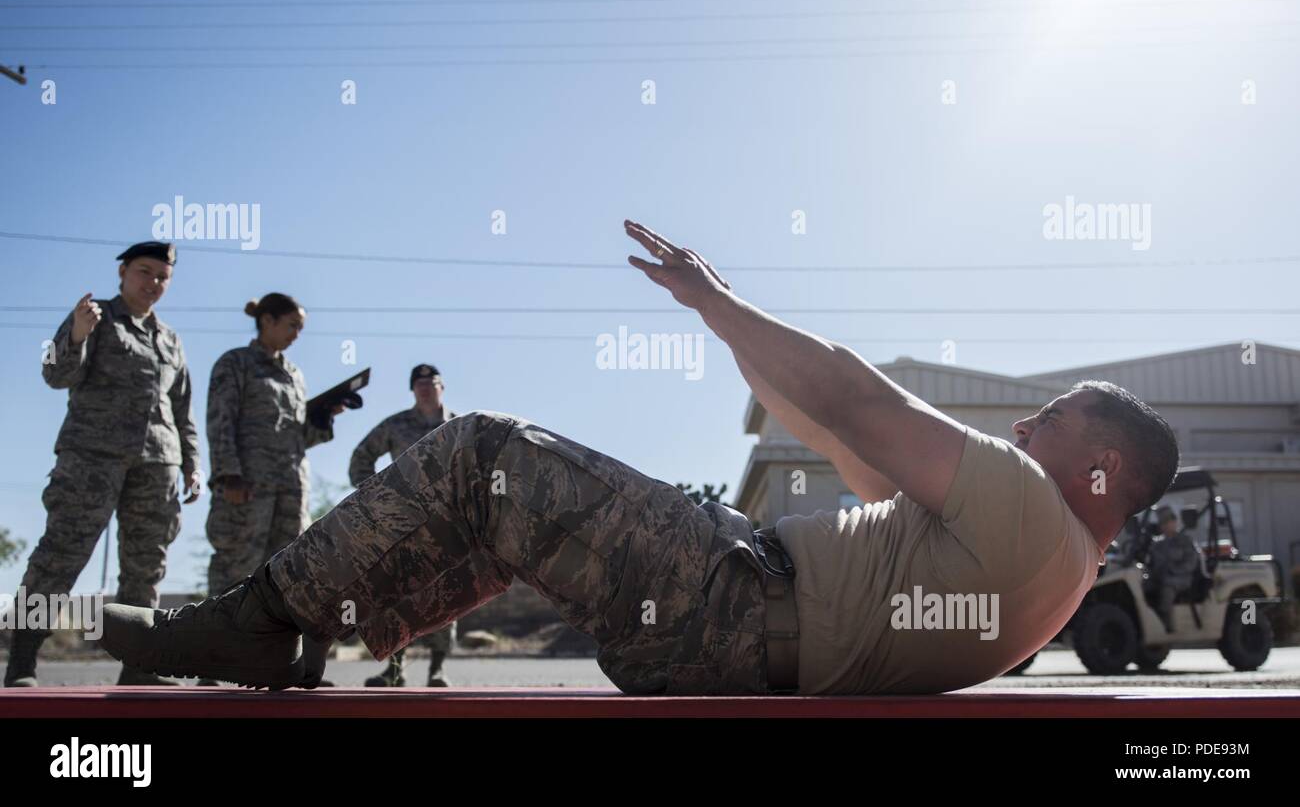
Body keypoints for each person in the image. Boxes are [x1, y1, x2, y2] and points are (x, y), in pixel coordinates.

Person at [100, 221, 1180, 695]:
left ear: (1106, 466)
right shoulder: (1041, 573)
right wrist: (728, 332)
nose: (1032, 422)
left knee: (481, 452)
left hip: (725, 594)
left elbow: (854, 389)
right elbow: (835, 432)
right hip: (727, 635)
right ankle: (302, 638)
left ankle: (251, 615)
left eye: (1059, 415)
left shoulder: (1032, 503)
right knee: (496, 524)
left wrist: (717, 298)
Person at [5, 242, 202, 688]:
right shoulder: (93, 317)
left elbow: (182, 408)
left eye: (162, 277)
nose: (153, 283)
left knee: (146, 567)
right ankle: (21, 661)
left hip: (158, 464)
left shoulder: (170, 339)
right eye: (144, 272)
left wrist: (192, 463)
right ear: (123, 272)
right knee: (61, 555)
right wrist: (75, 334)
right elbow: (54, 374)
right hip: (91, 459)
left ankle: (139, 665)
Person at [200, 293, 344, 685]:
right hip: (247, 488)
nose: (298, 334)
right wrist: (228, 474)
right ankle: (210, 666)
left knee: (288, 577)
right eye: (292, 325)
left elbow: (298, 438)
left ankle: (279, 665)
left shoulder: (294, 375)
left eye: (301, 328)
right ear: (267, 320)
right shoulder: (235, 364)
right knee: (234, 568)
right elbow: (220, 420)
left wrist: (324, 417)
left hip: (290, 492)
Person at [349, 364, 457, 687]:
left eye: (432, 382)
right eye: (419, 383)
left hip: (448, 522)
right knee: (396, 592)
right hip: (402, 522)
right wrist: (376, 497)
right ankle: (395, 668)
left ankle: (437, 669)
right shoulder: (396, 425)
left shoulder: (458, 426)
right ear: (412, 389)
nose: (426, 388)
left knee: (447, 591)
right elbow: (361, 457)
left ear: (443, 386)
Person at [1147, 505, 1202, 632]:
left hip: (1181, 578)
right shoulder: (1158, 544)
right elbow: (1151, 563)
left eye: (1168, 522)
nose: (1165, 525)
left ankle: (1166, 624)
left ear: (1175, 522)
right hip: (1160, 577)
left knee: (1167, 586)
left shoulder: (1184, 541)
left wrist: (1173, 570)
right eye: (1162, 523)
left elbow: (1191, 562)